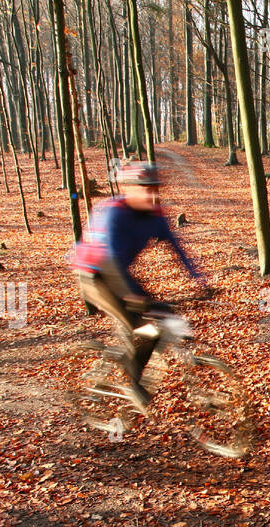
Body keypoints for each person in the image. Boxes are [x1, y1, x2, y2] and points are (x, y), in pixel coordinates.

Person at [70, 160, 208, 412]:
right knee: (143, 330)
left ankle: (127, 355)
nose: (152, 195)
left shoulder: (155, 217)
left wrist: (199, 279)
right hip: (96, 276)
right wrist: (134, 299)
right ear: (129, 188)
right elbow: (111, 264)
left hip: (122, 274)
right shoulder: (114, 214)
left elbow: (178, 249)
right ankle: (134, 384)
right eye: (146, 189)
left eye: (155, 189)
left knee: (164, 317)